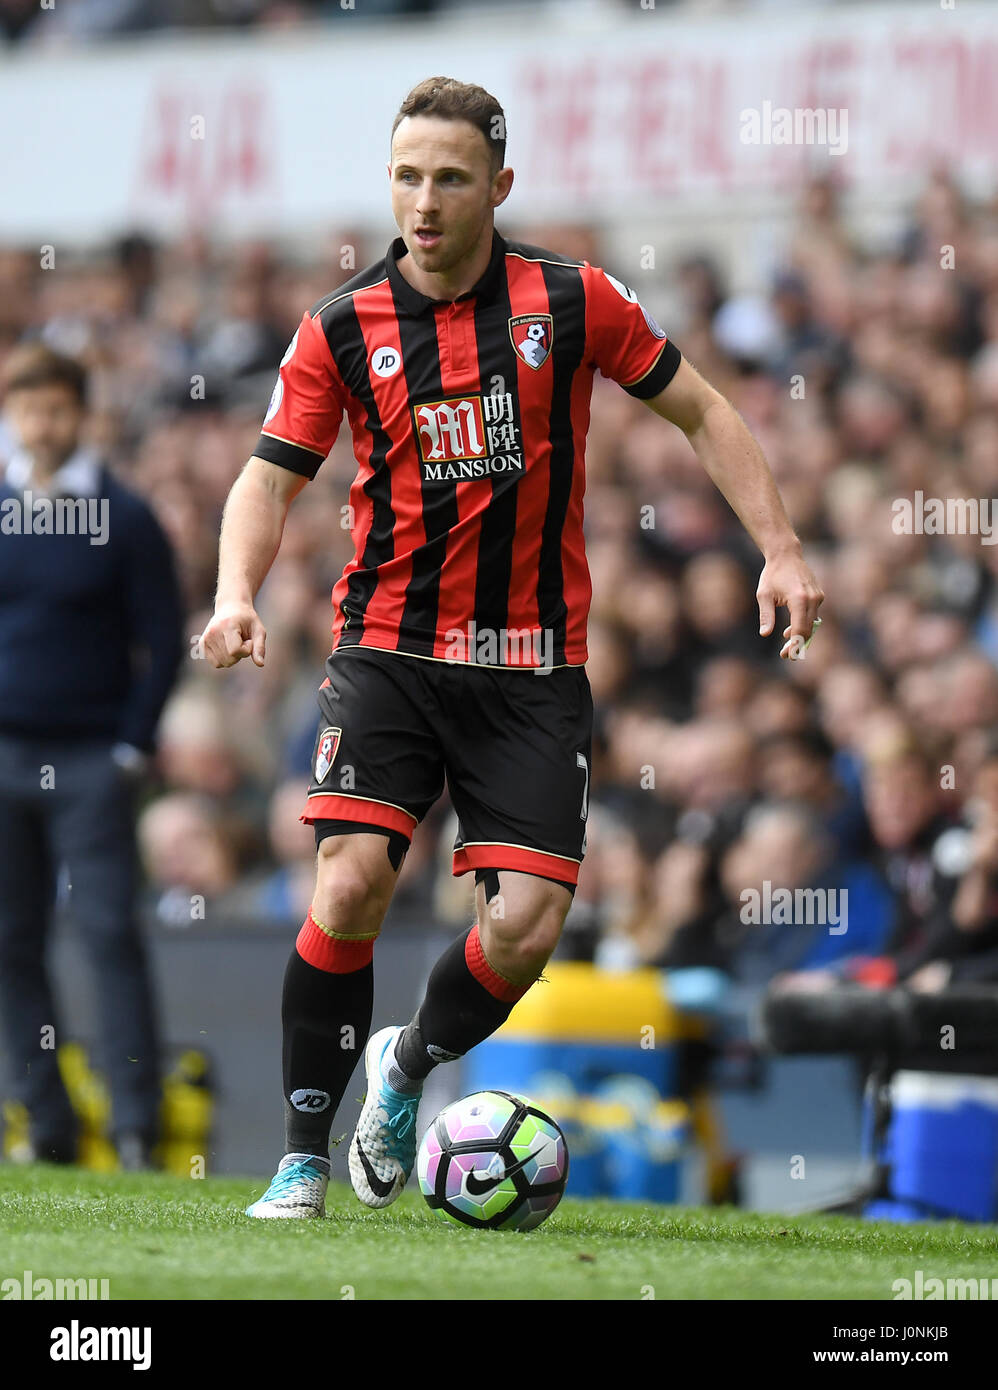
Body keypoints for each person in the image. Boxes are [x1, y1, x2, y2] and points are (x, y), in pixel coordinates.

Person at [200, 76, 824, 1219]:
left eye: (448, 178)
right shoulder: (342, 325)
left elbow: (701, 409)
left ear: (499, 186)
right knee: (349, 882)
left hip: (530, 664)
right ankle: (299, 1157)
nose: (423, 201)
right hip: (387, 647)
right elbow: (267, 476)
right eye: (405, 176)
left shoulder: (572, 299)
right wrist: (236, 590)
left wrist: (777, 549)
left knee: (525, 929)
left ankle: (406, 1064)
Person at [0, 343, 184, 1167]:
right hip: (6, 753)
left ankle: (136, 1124)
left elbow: (163, 640)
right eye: (26, 409)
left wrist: (130, 745)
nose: (41, 425)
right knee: (10, 940)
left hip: (89, 762)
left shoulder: (125, 517)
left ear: (80, 413)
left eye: (55, 408)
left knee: (109, 933)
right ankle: (46, 1122)